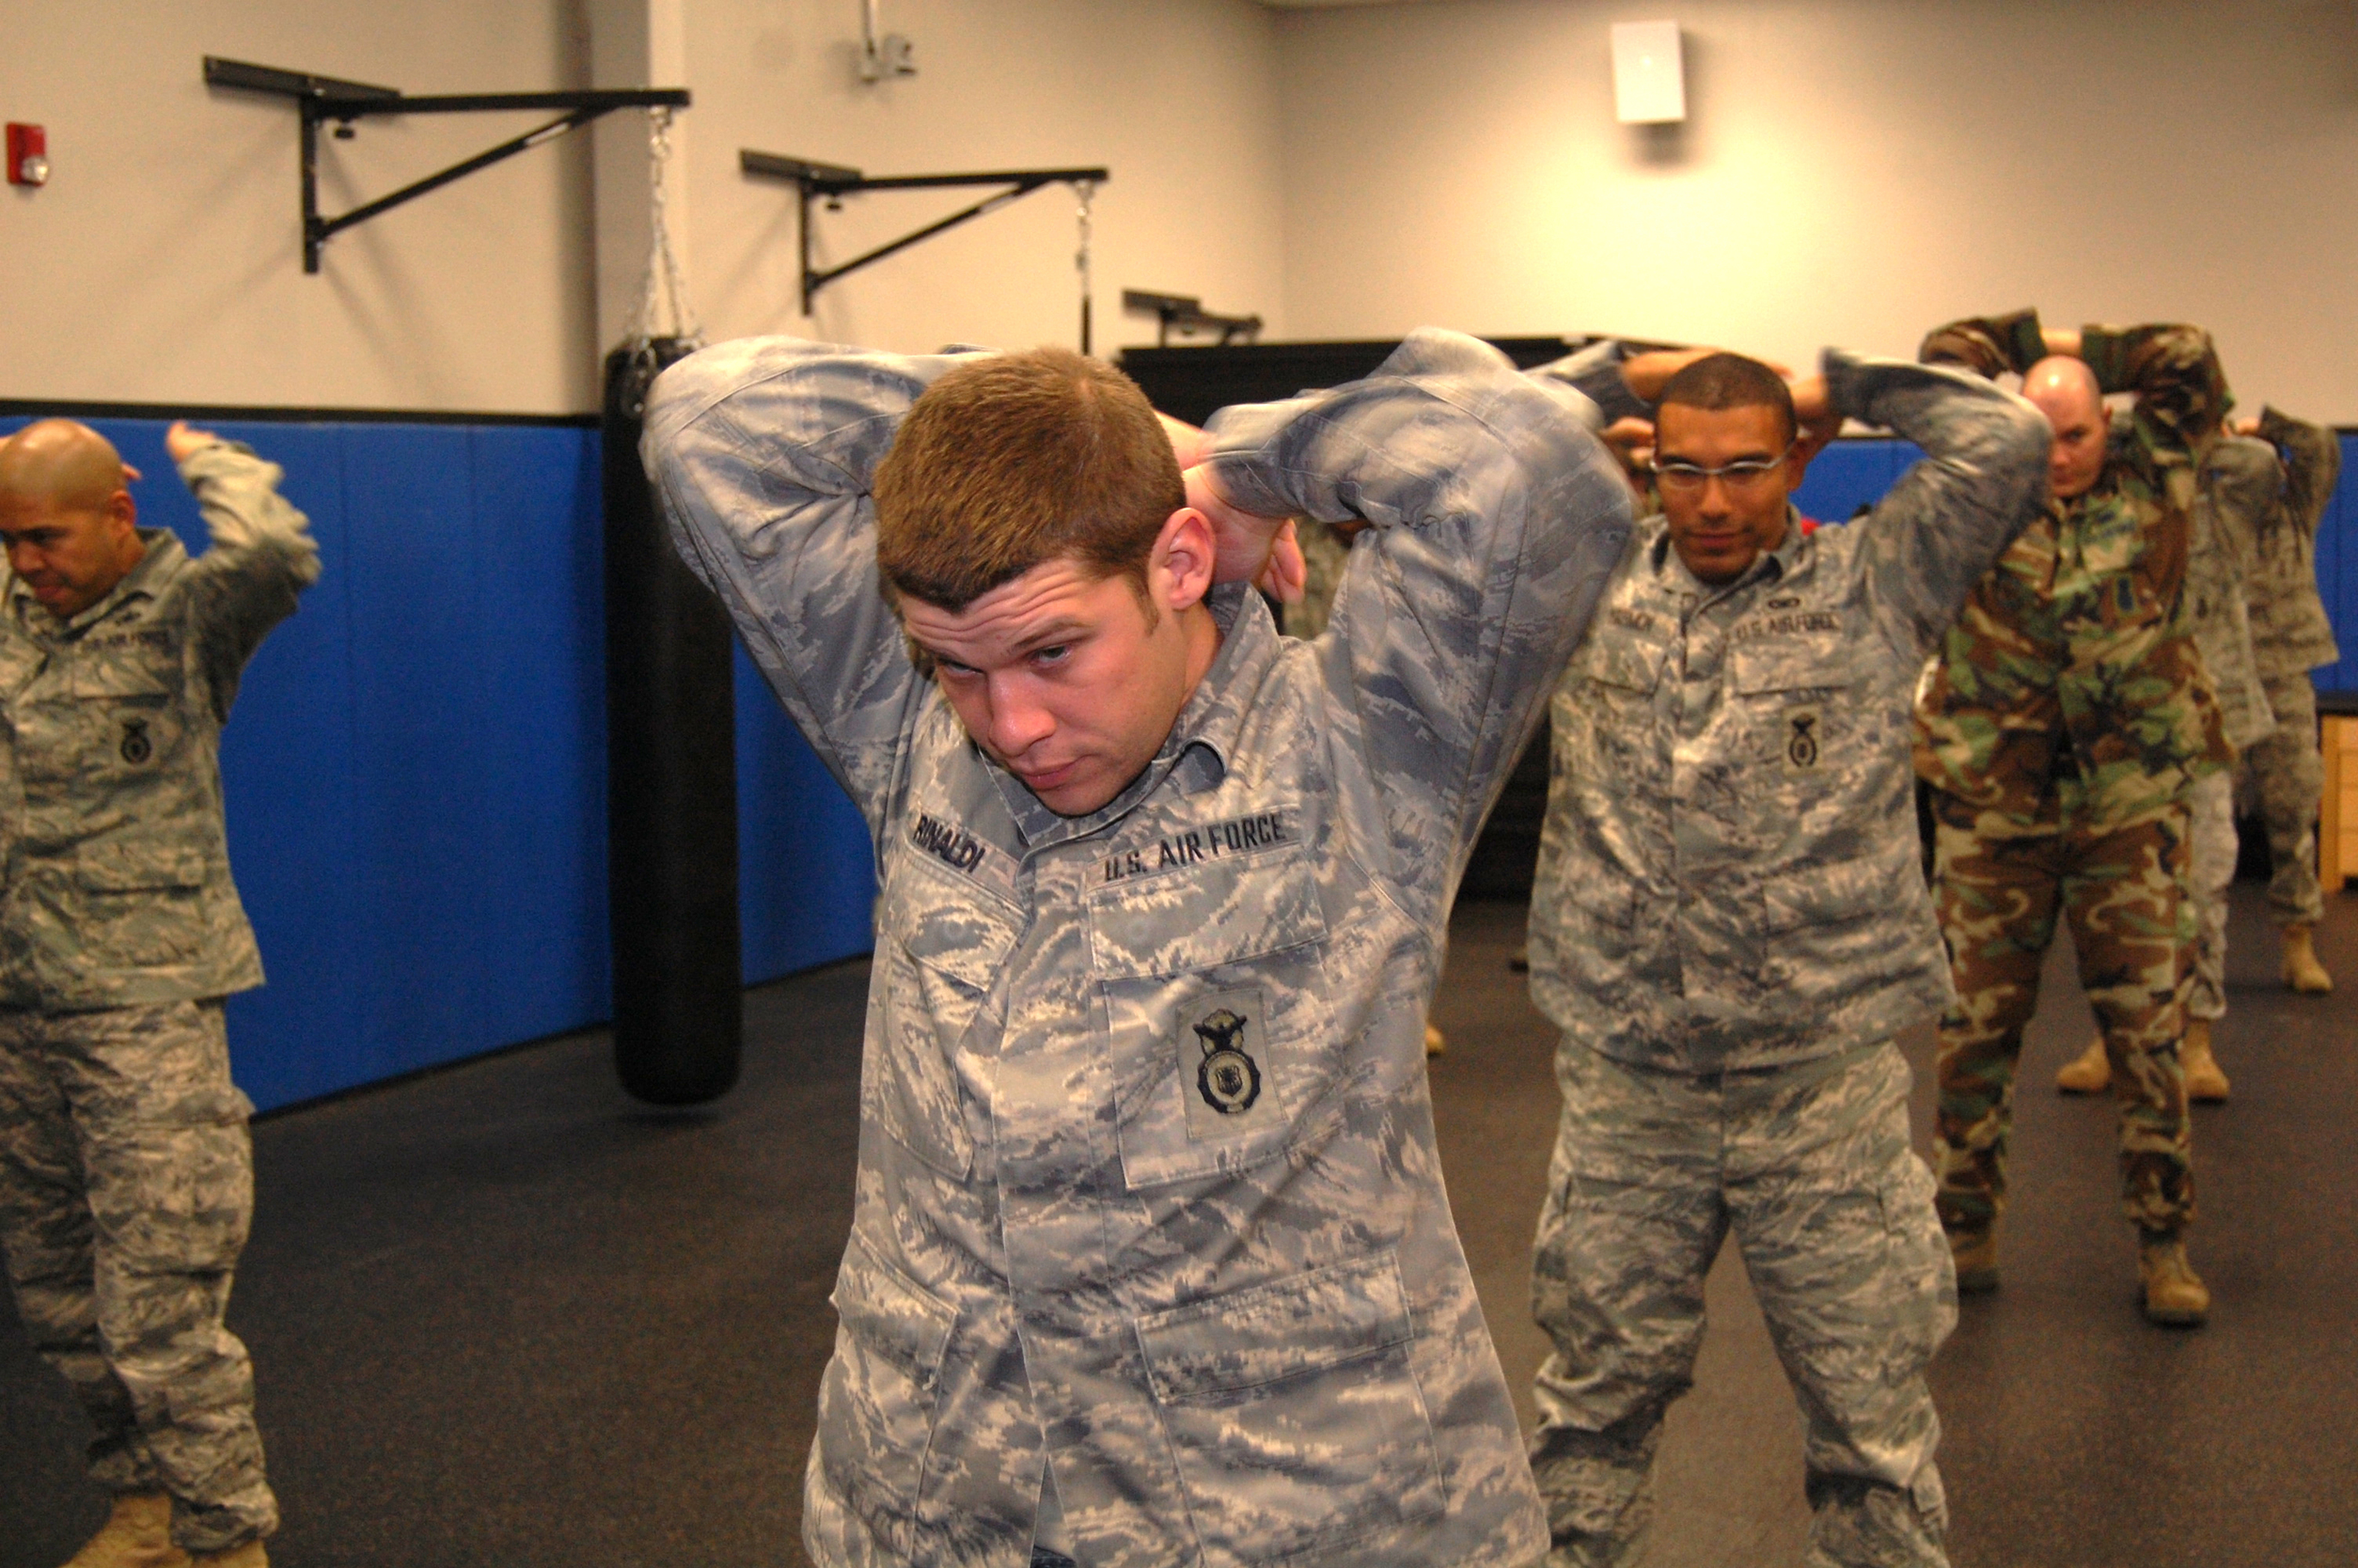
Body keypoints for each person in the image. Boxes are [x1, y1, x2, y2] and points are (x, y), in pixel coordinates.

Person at [643, 331, 1634, 1568]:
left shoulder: (1365, 747)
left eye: (1053, 652)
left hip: (1292, 1520)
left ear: (1175, 563)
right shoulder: (905, 730)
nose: (1010, 725)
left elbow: (1526, 459)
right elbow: (705, 420)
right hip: (942, 1506)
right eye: (956, 667)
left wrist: (1245, 469)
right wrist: (1077, 423)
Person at [1522, 344, 2046, 1567]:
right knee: (1590, 1420)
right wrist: (1620, 373)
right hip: (1629, 1091)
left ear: (1799, 460)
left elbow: (2010, 443)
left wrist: (1841, 383)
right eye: (1682, 470)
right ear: (1648, 465)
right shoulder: (1582, 579)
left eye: (1746, 468)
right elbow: (1478, 439)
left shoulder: (1875, 582)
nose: (1710, 502)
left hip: (1818, 1093)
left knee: (1869, 1438)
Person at [0, 419, 319, 1568]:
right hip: (20, 1008)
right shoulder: (11, 609)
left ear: (117, 516)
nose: (26, 562)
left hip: (145, 1012)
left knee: (162, 1315)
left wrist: (207, 459)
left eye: (45, 537)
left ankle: (226, 1542)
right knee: (58, 1301)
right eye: (9, 540)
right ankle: (144, 1512)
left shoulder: (188, 617)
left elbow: (276, 555)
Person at [1914, 310, 2234, 1327]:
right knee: (1972, 1034)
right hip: (1992, 807)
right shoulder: (1977, 485)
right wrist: (2022, 351)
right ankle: (1963, 1233)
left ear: (2112, 426)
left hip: (2125, 810)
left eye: (2076, 435)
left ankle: (2163, 1245)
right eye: (2037, 436)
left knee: (2145, 1037)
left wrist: (2078, 352)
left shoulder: (2156, 478)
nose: (2055, 457)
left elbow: (2186, 358)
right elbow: (1939, 362)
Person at [2053, 428, 2278, 1101]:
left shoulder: (2222, 512)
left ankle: (2197, 1039)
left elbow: (2261, 462)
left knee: (2203, 889)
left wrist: (2201, 434)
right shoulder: (2113, 510)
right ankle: (2111, 1036)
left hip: (2205, 727)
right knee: (2114, 894)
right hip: (2124, 727)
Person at [2237, 407, 2342, 993]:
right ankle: (2188, 952)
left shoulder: (2296, 511)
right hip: (2217, 677)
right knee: (2200, 824)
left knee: (2294, 808)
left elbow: (2321, 443)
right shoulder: (2210, 512)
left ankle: (2298, 943)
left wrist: (2268, 427)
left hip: (2284, 675)